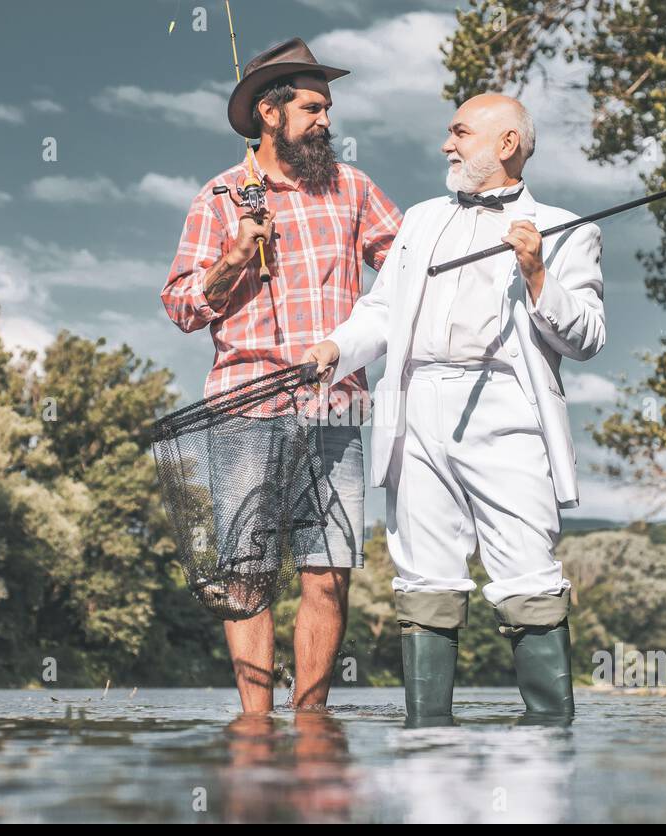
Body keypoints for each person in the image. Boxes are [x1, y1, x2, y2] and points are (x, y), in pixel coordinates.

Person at [301, 93, 605, 725]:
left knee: (526, 567)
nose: (447, 145)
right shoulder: (418, 220)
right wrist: (338, 345)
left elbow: (586, 339)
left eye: (460, 133)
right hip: (415, 406)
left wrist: (538, 274)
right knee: (423, 574)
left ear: (506, 145)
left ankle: (549, 744)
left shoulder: (568, 229)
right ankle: (426, 745)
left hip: (507, 407)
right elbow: (381, 311)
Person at [161, 38, 402, 712]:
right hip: (243, 409)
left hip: (338, 410)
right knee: (248, 578)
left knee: (328, 576)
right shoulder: (217, 198)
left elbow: (414, 263)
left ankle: (314, 727)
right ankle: (255, 730)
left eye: (328, 108)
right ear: (271, 113)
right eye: (313, 107)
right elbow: (181, 305)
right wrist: (237, 255)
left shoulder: (353, 188)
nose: (327, 120)